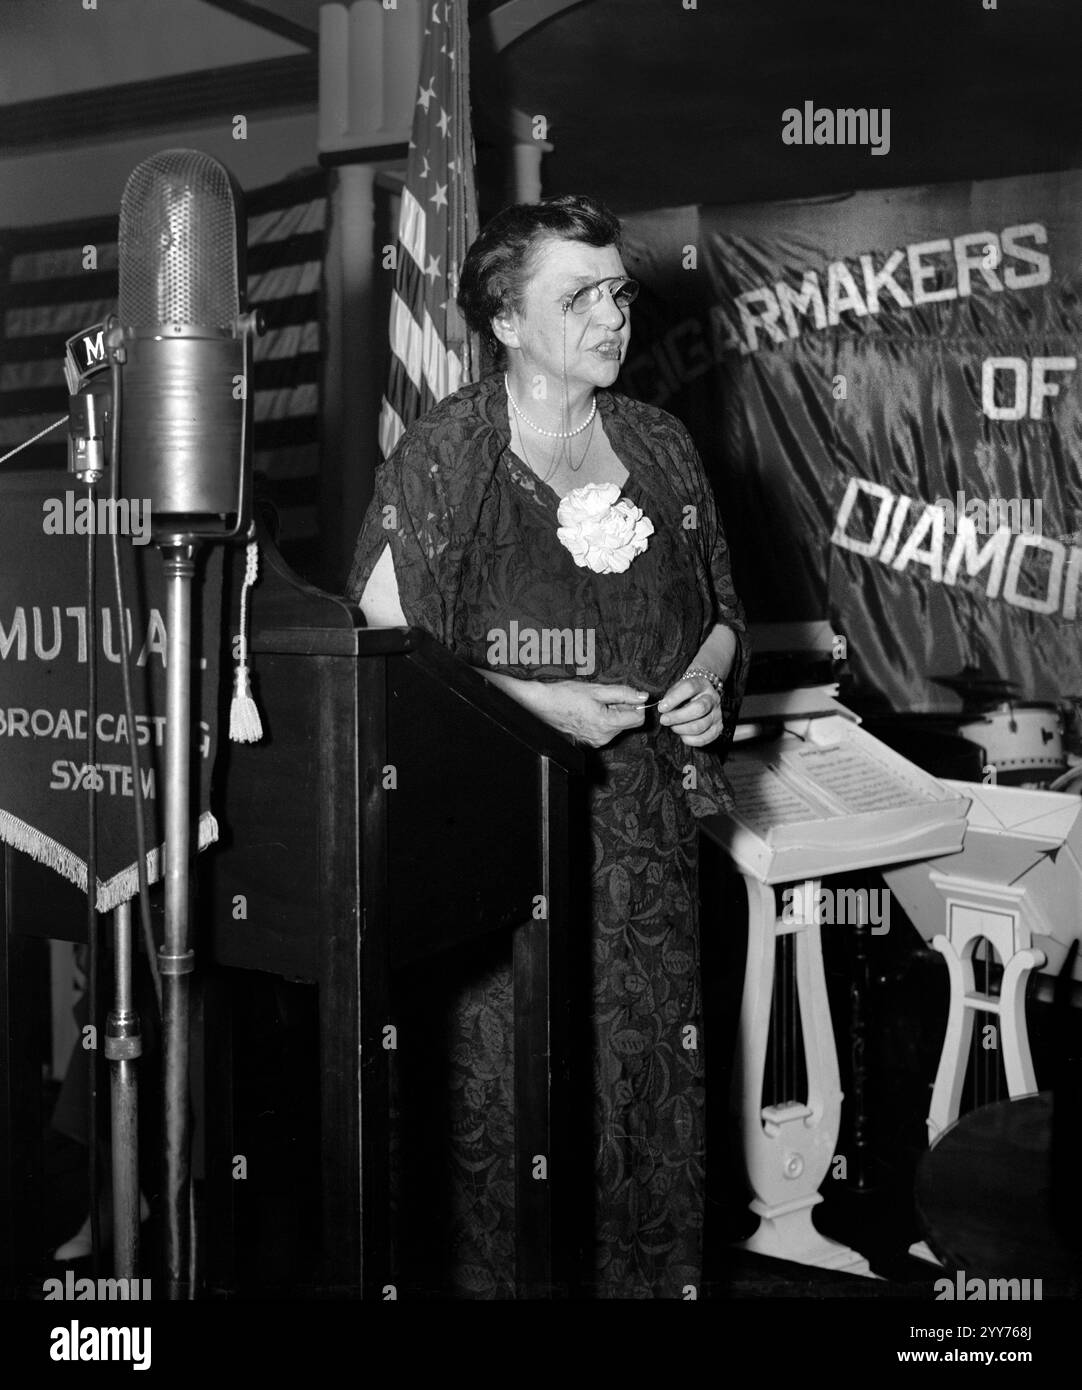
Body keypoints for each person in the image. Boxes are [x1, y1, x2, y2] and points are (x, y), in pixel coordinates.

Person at [348, 194, 750, 1298]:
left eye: (618, 292)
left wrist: (706, 688)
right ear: (506, 322)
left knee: (642, 1108)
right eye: (577, 296)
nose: (612, 316)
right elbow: (377, 654)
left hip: (650, 860)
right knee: (508, 1115)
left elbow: (720, 611)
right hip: (503, 866)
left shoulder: (662, 446)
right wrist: (533, 703)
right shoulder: (446, 458)